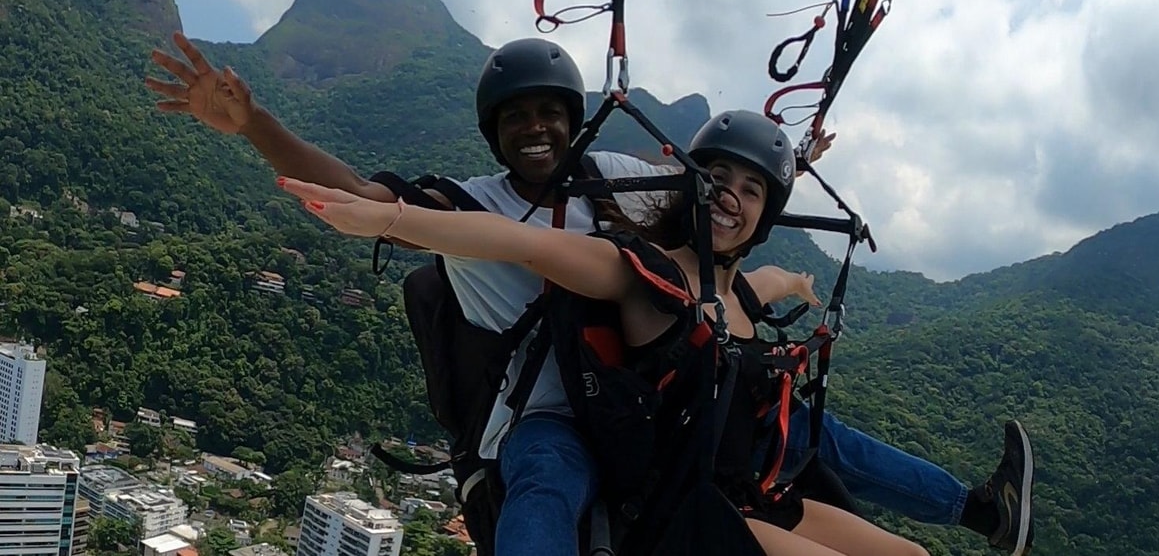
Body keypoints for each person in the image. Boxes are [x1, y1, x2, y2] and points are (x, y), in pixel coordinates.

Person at [145, 31, 1032, 556]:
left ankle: (977, 509)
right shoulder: (471, 203)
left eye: (550, 114)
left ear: (574, 122)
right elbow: (367, 196)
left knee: (800, 418)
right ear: (495, 134)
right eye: (517, 118)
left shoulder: (613, 179)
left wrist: (786, 161)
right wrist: (255, 124)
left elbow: (715, 201)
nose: (537, 128)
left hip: (656, 392)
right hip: (549, 410)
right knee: (544, 485)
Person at [278, 108, 933, 556]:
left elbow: (766, 281)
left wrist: (796, 280)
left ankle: (982, 509)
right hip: (685, 514)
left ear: (764, 218)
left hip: (746, 496)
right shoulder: (639, 270)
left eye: (751, 190)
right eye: (719, 181)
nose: (731, 195)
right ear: (690, 190)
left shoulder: (736, 294)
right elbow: (516, 242)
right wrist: (391, 220)